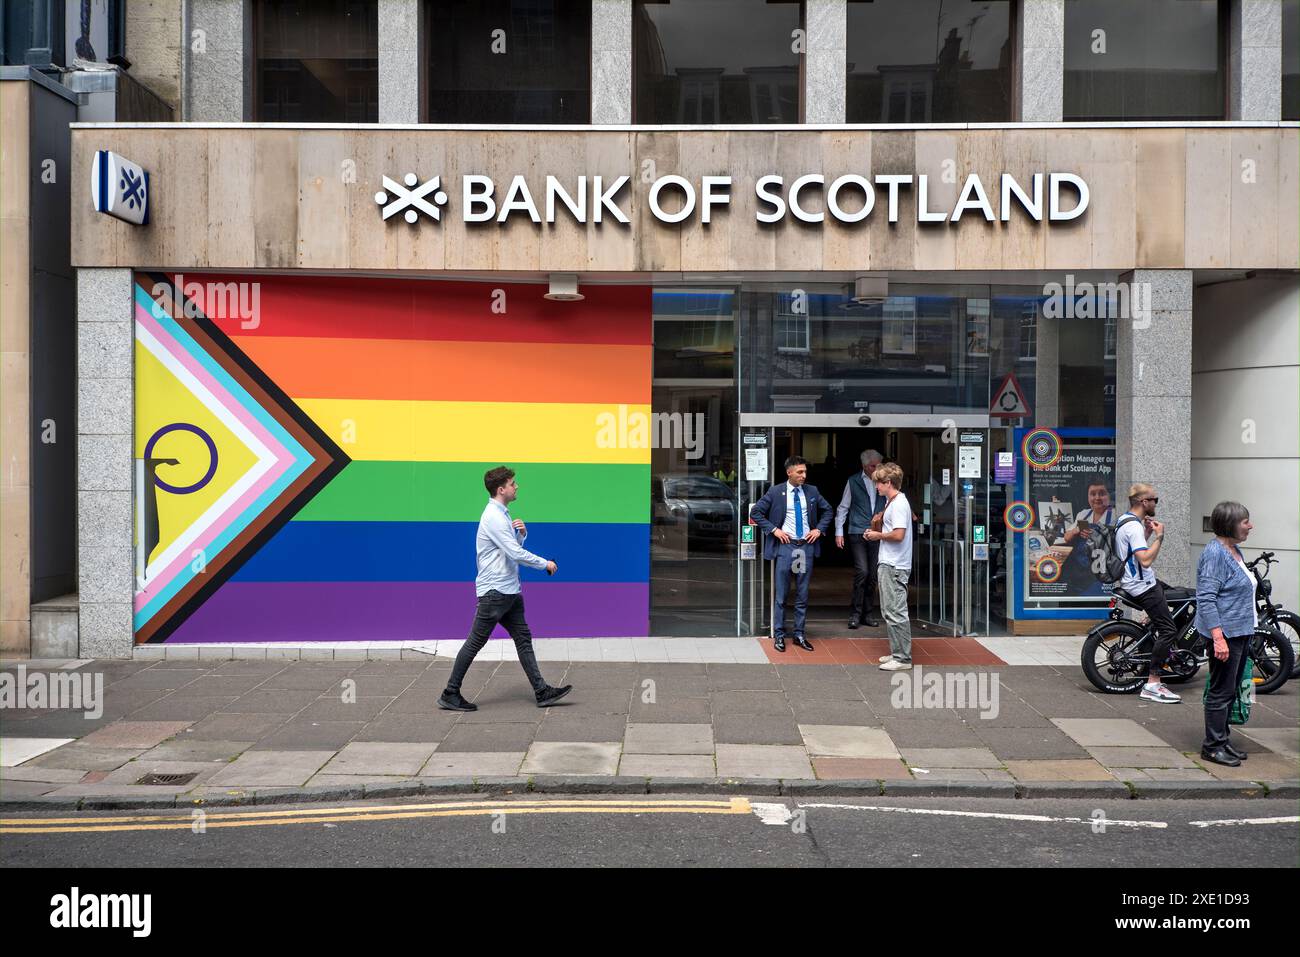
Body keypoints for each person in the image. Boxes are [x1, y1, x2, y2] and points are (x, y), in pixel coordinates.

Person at [438, 467, 572, 712]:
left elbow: (507, 551)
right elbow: (514, 554)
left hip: (508, 592)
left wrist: (520, 535)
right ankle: (450, 693)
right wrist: (546, 564)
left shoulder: (502, 515)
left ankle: (542, 691)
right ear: (501, 489)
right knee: (475, 642)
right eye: (512, 483)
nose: (516, 486)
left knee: (523, 639)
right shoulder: (494, 517)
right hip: (495, 593)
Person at [1195, 501, 1257, 767]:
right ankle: (1212, 747)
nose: (1250, 526)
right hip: (1227, 635)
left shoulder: (1234, 550)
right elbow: (1206, 599)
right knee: (1220, 692)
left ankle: (1222, 740)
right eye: (1245, 522)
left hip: (1240, 632)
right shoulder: (1215, 554)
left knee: (1229, 689)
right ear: (1230, 524)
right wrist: (1218, 638)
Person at [751, 455, 832, 652]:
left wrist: (819, 529)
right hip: (786, 548)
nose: (804, 475)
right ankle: (779, 635)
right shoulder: (776, 491)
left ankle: (799, 634)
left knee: (802, 593)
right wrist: (774, 530)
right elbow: (756, 513)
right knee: (782, 594)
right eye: (800, 472)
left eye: (805, 472)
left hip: (804, 547)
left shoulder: (812, 491)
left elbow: (828, 510)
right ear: (789, 473)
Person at [1114, 482, 1180, 703]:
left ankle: (1164, 646)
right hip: (1142, 586)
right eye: (1155, 500)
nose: (1155, 503)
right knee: (1169, 630)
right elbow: (1145, 559)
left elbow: (1132, 550)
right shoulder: (1133, 527)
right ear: (1144, 502)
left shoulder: (1126, 520)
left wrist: (1148, 532)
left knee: (1182, 595)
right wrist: (1160, 536)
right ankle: (1153, 683)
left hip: (1139, 581)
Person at [866, 462, 914, 671]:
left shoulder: (899, 504)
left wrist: (878, 535)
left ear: (888, 483)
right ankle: (897, 652)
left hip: (894, 564)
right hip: (890, 562)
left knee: (895, 611)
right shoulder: (893, 502)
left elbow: (898, 534)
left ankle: (903, 658)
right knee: (890, 610)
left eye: (878, 483)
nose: (876, 486)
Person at [835, 449, 887, 628]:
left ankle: (868, 614)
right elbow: (843, 507)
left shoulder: (884, 481)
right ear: (865, 466)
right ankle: (855, 614)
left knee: (873, 575)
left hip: (877, 532)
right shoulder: (853, 481)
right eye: (874, 466)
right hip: (857, 531)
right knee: (862, 572)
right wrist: (838, 532)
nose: (877, 468)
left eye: (879, 465)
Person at [1059, 477, 1115, 594]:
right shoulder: (1083, 515)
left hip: (1102, 572)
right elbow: (1067, 537)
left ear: (1108, 496)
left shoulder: (1115, 515)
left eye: (1102, 493)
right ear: (1088, 497)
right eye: (1092, 494)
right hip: (1080, 570)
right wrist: (1076, 531)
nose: (1097, 498)